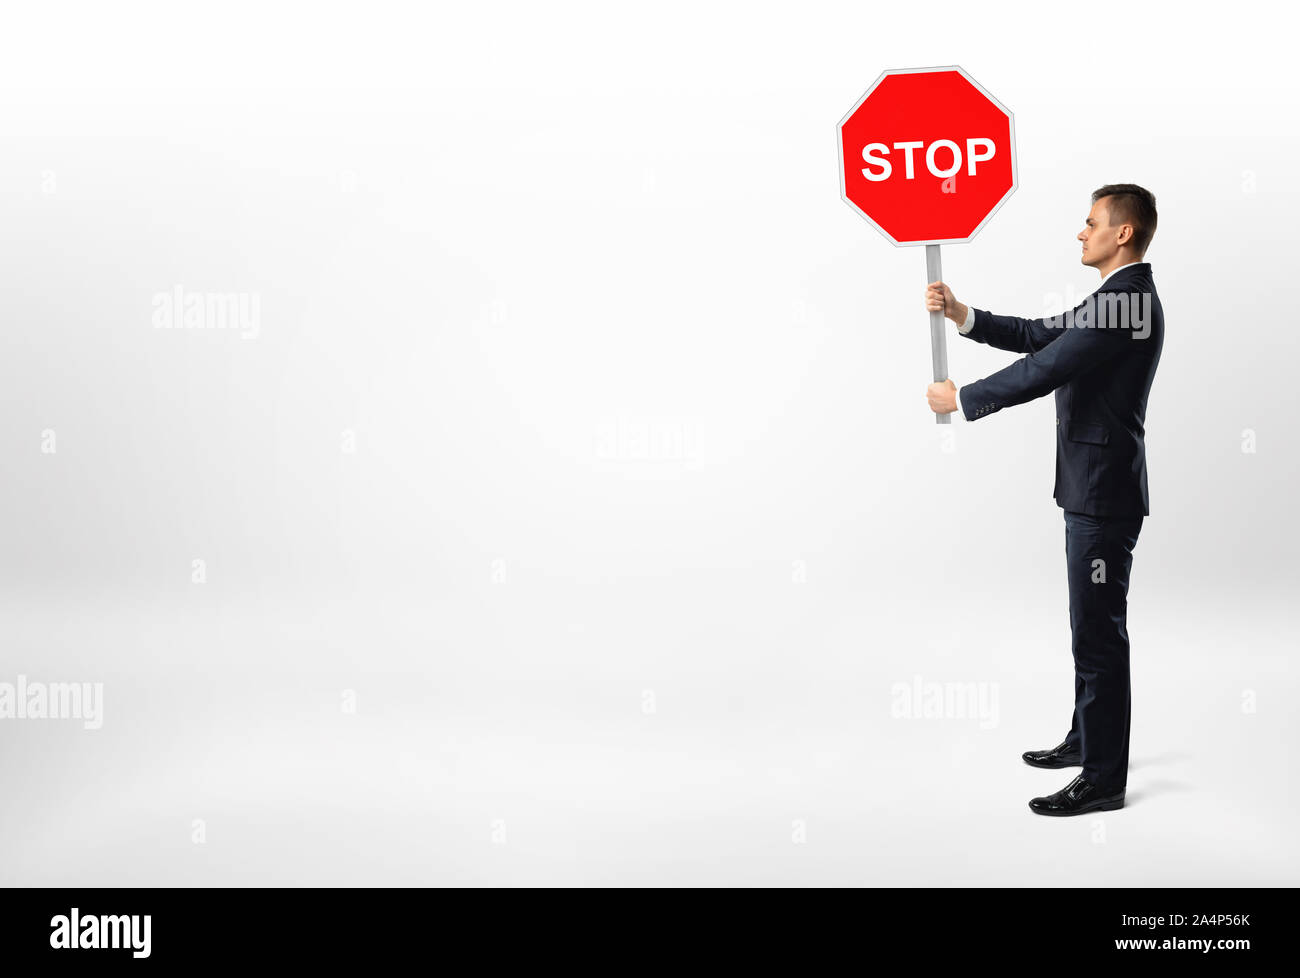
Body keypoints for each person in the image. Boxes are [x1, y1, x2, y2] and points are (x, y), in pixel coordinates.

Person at [923, 184, 1163, 816]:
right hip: (1090, 487)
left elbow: (1047, 369)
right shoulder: (1114, 298)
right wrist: (965, 315)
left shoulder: (1127, 303)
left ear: (1124, 233)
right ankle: (1090, 739)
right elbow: (1040, 335)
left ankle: (1105, 779)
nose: (1080, 233)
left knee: (1099, 631)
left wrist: (965, 399)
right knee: (1088, 623)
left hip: (1103, 493)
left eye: (1090, 224)